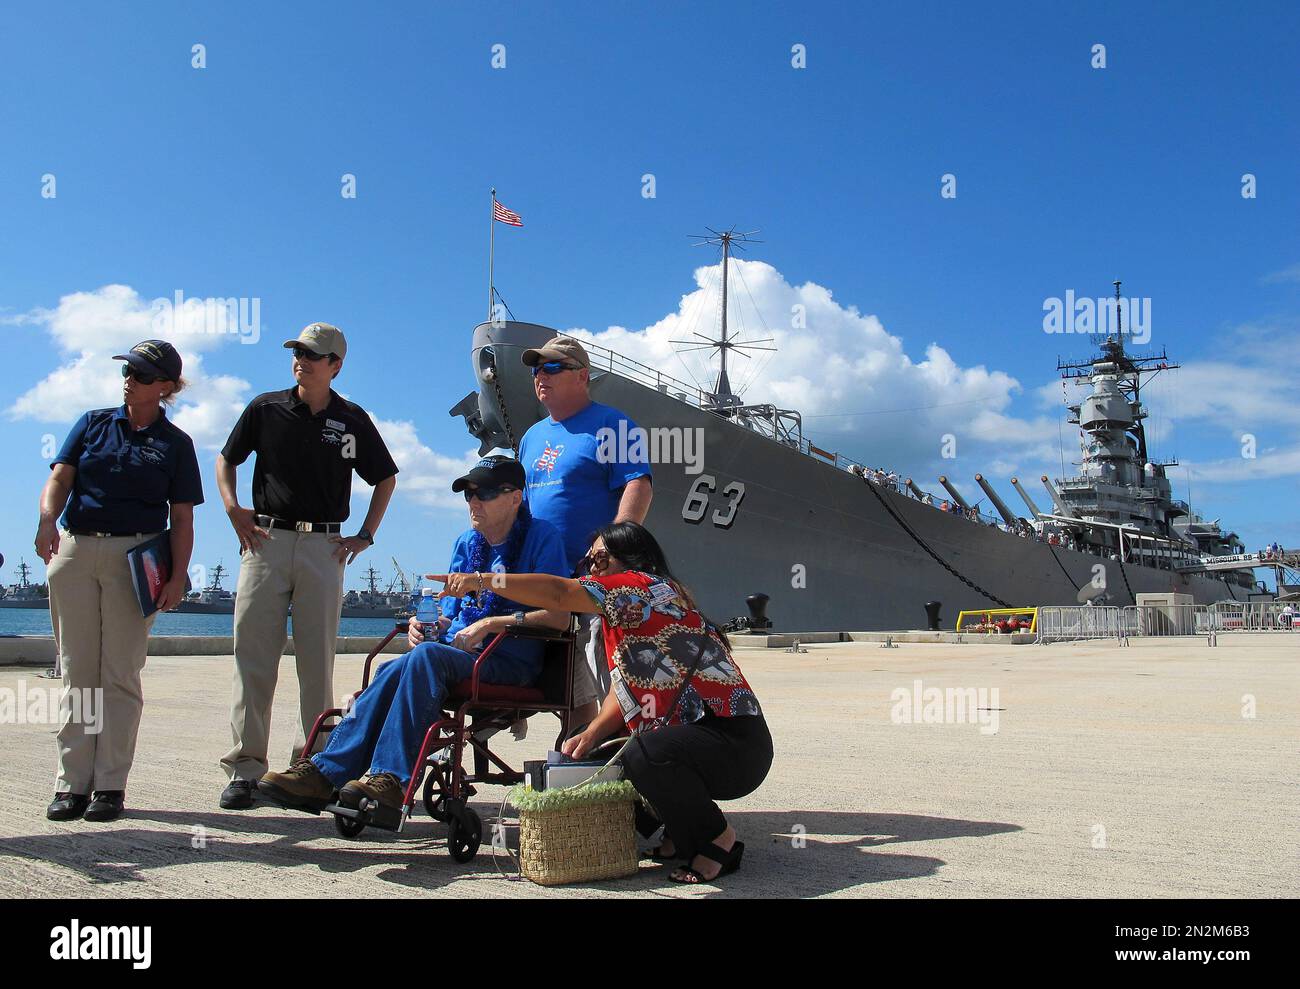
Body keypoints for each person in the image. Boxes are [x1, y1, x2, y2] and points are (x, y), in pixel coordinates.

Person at [431, 521, 772, 886]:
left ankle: (718, 837)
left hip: (734, 745)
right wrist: (591, 734)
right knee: (598, 762)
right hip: (701, 744)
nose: (591, 571)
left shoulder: (640, 586)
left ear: (631, 559)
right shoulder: (634, 612)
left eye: (600, 560)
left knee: (645, 754)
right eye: (587, 563)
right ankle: (678, 832)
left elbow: (559, 593)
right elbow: (624, 689)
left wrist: (482, 580)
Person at [256, 456, 569, 818]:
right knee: (390, 668)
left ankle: (390, 778)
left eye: (484, 492)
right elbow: (449, 612)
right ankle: (324, 772)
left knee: (424, 660)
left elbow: (558, 616)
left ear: (515, 498)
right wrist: (427, 626)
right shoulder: (467, 544)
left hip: (508, 661)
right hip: (456, 655)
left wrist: (491, 623)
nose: (473, 501)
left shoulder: (542, 538)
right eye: (468, 494)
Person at [216, 322, 398, 810]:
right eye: (297, 352)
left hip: (324, 546)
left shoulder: (353, 420)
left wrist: (365, 534)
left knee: (316, 663)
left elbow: (385, 477)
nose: (302, 361)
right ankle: (245, 768)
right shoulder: (265, 408)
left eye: (313, 356)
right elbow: (226, 459)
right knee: (253, 658)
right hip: (265, 540)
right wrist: (233, 508)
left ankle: (313, 765)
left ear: (336, 365)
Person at [36, 341, 203, 822]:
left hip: (137, 558)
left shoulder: (176, 444)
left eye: (142, 373)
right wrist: (48, 519)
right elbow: (60, 479)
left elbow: (183, 518)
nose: (129, 377)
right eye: (128, 369)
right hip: (76, 549)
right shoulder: (92, 423)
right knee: (77, 672)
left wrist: (176, 573)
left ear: (165, 387)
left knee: (119, 675)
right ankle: (72, 784)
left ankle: (109, 785)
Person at [517, 335, 653, 724]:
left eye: (552, 367)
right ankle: (580, 759)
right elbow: (522, 505)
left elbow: (638, 483)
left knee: (605, 670)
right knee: (566, 683)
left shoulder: (612, 424)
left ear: (582, 376)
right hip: (546, 575)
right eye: (536, 369)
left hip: (594, 576)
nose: (541, 376)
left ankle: (623, 751)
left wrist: (611, 548)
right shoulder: (530, 437)